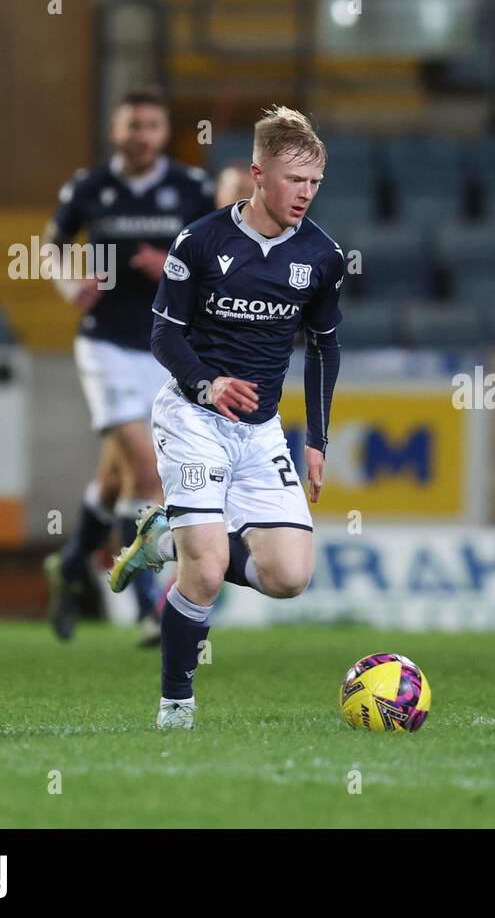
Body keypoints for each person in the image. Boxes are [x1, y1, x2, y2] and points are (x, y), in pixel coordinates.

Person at [109, 106, 345, 729]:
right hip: (191, 418)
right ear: (258, 175)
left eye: (315, 182)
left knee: (291, 576)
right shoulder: (202, 241)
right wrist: (207, 385)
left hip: (260, 430)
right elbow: (163, 334)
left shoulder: (322, 257)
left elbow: (324, 345)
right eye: (295, 180)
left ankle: (163, 538)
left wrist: (316, 441)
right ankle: (176, 708)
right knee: (207, 571)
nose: (306, 195)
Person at [43, 86, 214, 644]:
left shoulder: (191, 189)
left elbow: (218, 260)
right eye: (132, 124)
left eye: (151, 125)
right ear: (116, 130)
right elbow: (52, 244)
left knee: (116, 477)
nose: (140, 134)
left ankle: (69, 569)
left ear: (165, 134)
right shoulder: (89, 187)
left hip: (165, 351)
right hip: (106, 345)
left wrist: (173, 266)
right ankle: (147, 608)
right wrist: (70, 283)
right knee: (145, 468)